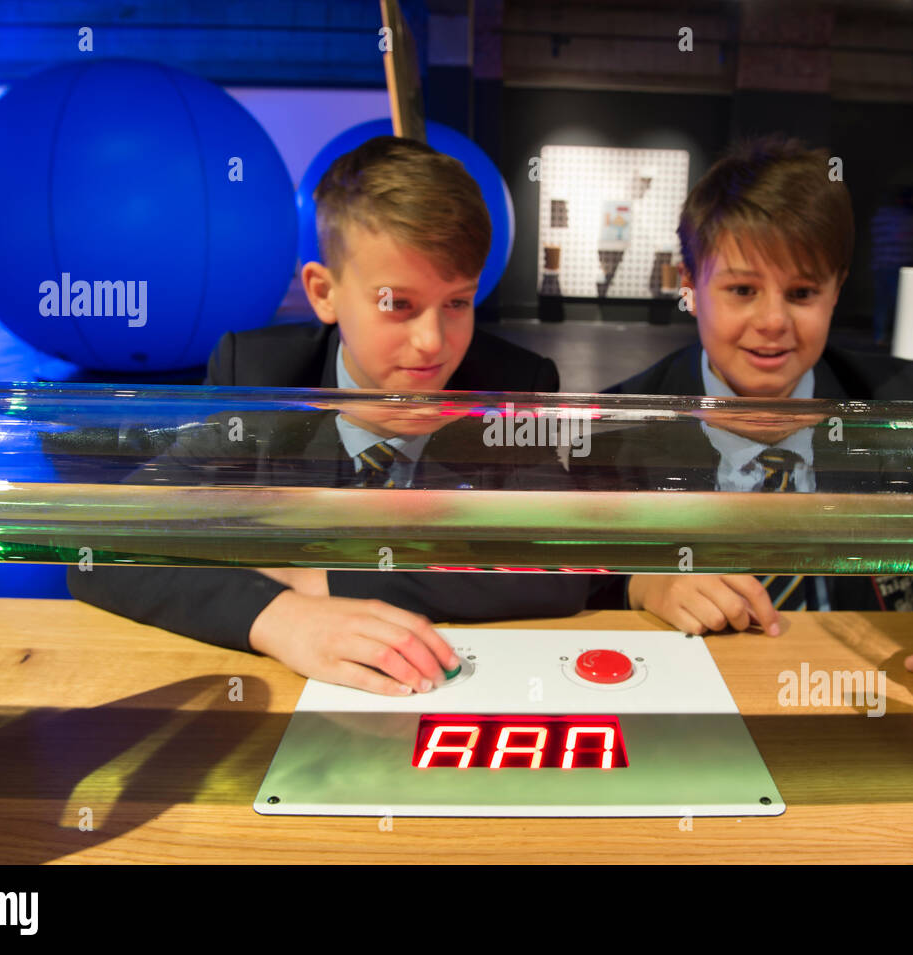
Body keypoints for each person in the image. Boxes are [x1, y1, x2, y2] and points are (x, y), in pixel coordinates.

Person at [581, 135, 913, 713]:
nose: (773, 321)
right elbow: (549, 566)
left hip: (876, 707)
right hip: (686, 712)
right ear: (689, 286)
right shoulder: (621, 420)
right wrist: (639, 582)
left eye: (802, 292)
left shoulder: (905, 401)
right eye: (742, 290)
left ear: (837, 290)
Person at [68, 136, 589, 695]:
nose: (433, 342)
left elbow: (560, 567)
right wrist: (280, 616)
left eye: (457, 302)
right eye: (398, 304)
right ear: (324, 292)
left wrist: (319, 577)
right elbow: (105, 544)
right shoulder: (260, 379)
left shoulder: (511, 384)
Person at [869, 186, 913, 346]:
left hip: (880, 266)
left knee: (881, 304)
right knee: (900, 304)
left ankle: (880, 336)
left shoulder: (879, 218)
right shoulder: (908, 218)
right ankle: (899, 337)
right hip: (899, 267)